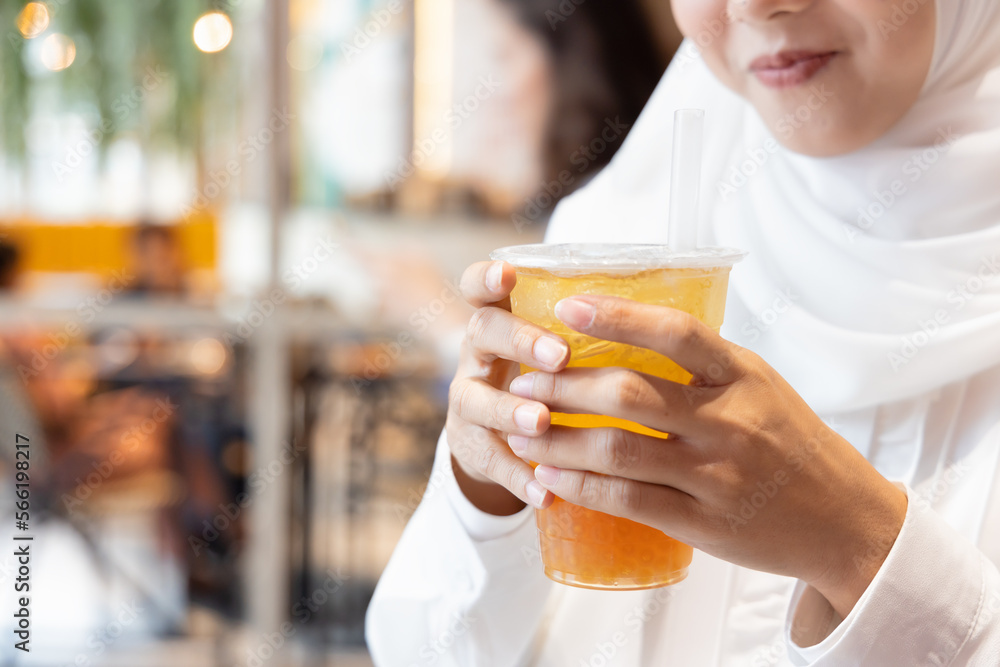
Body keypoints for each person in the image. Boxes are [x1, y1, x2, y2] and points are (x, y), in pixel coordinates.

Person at [367, 0, 1000, 664]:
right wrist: (488, 493)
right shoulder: (610, 237)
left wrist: (857, 546)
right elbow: (418, 650)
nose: (757, 5)